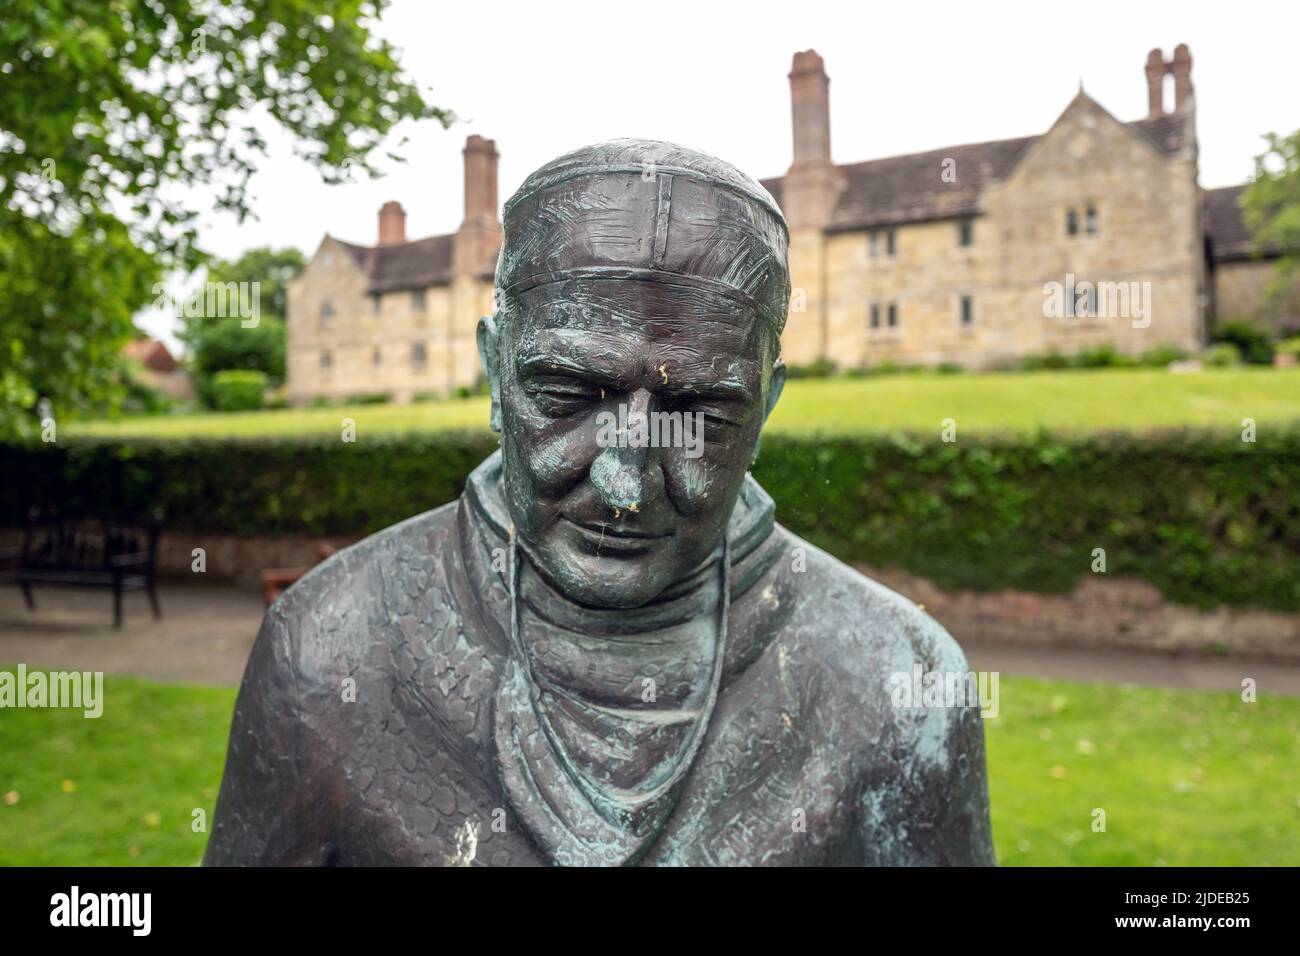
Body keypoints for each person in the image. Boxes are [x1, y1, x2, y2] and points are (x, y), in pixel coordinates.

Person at [204, 139, 995, 866]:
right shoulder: (327, 648)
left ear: (766, 408)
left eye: (702, 417)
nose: (625, 483)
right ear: (495, 371)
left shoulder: (900, 680)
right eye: (567, 394)